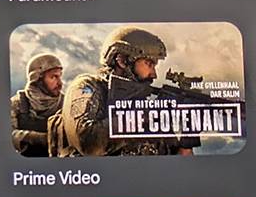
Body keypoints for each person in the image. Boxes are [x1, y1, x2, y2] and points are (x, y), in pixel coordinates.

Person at [49, 26, 192, 156]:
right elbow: (87, 143)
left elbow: (179, 162)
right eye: (149, 63)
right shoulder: (87, 86)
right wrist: (144, 115)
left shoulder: (142, 104)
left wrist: (188, 137)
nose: (154, 74)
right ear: (122, 60)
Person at [10, 52, 64, 156]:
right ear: (37, 79)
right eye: (53, 77)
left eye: (60, 77)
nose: (60, 83)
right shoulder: (18, 103)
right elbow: (7, 136)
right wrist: (37, 138)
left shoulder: (66, 104)